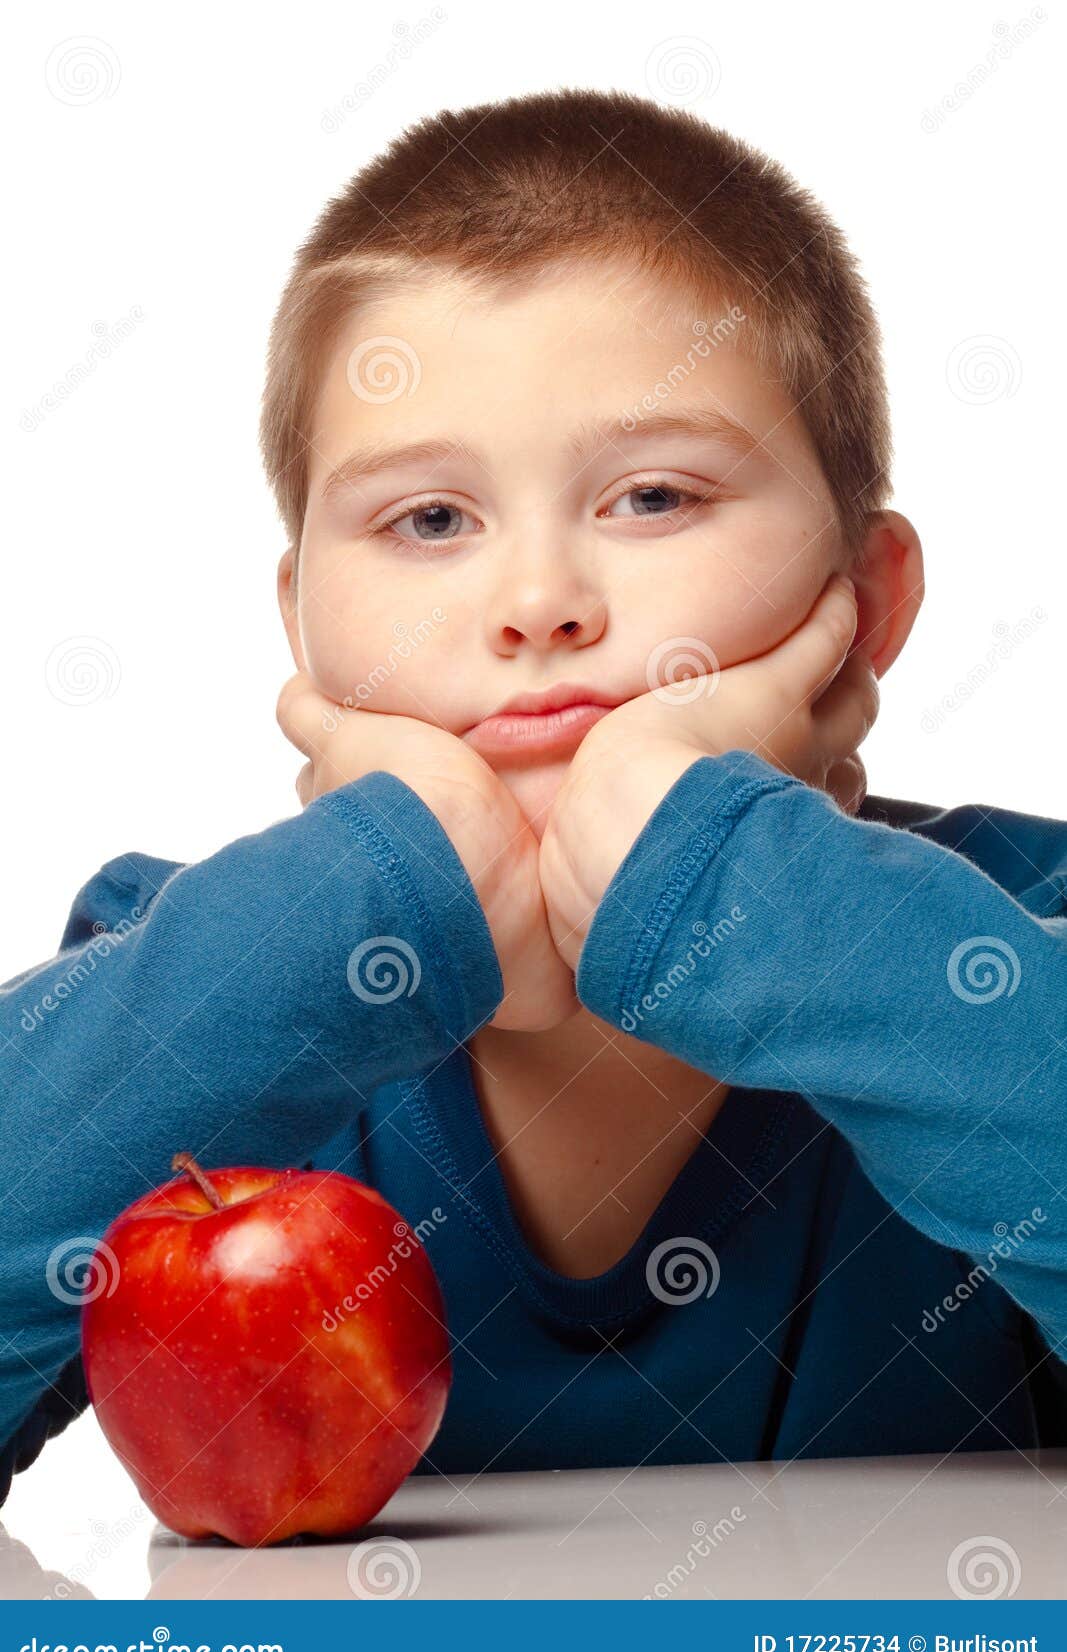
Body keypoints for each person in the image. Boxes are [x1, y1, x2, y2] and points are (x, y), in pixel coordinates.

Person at [3, 89, 1065, 1530]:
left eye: (653, 497)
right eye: (429, 521)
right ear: (302, 618)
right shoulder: (218, 973)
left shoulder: (1013, 945)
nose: (538, 604)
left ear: (865, 601)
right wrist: (371, 908)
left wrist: (724, 888)